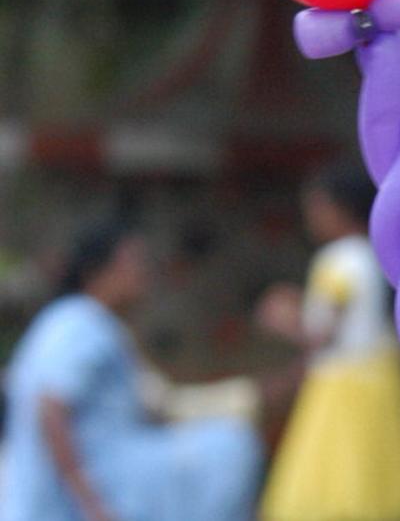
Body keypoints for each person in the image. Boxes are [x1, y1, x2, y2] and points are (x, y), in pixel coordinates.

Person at [1, 221, 262, 521]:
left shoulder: (96, 325)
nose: (143, 272)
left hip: (100, 487)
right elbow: (50, 408)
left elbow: (161, 406)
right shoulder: (76, 321)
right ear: (97, 270)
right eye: (133, 261)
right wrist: (93, 507)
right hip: (66, 507)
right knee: (230, 448)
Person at [258, 161, 400, 521]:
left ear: (340, 207)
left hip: (341, 388)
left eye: (317, 207)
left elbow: (321, 334)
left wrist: (280, 318)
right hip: (378, 380)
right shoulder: (372, 255)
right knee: (370, 479)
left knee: (332, 484)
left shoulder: (335, 260)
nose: (311, 217)